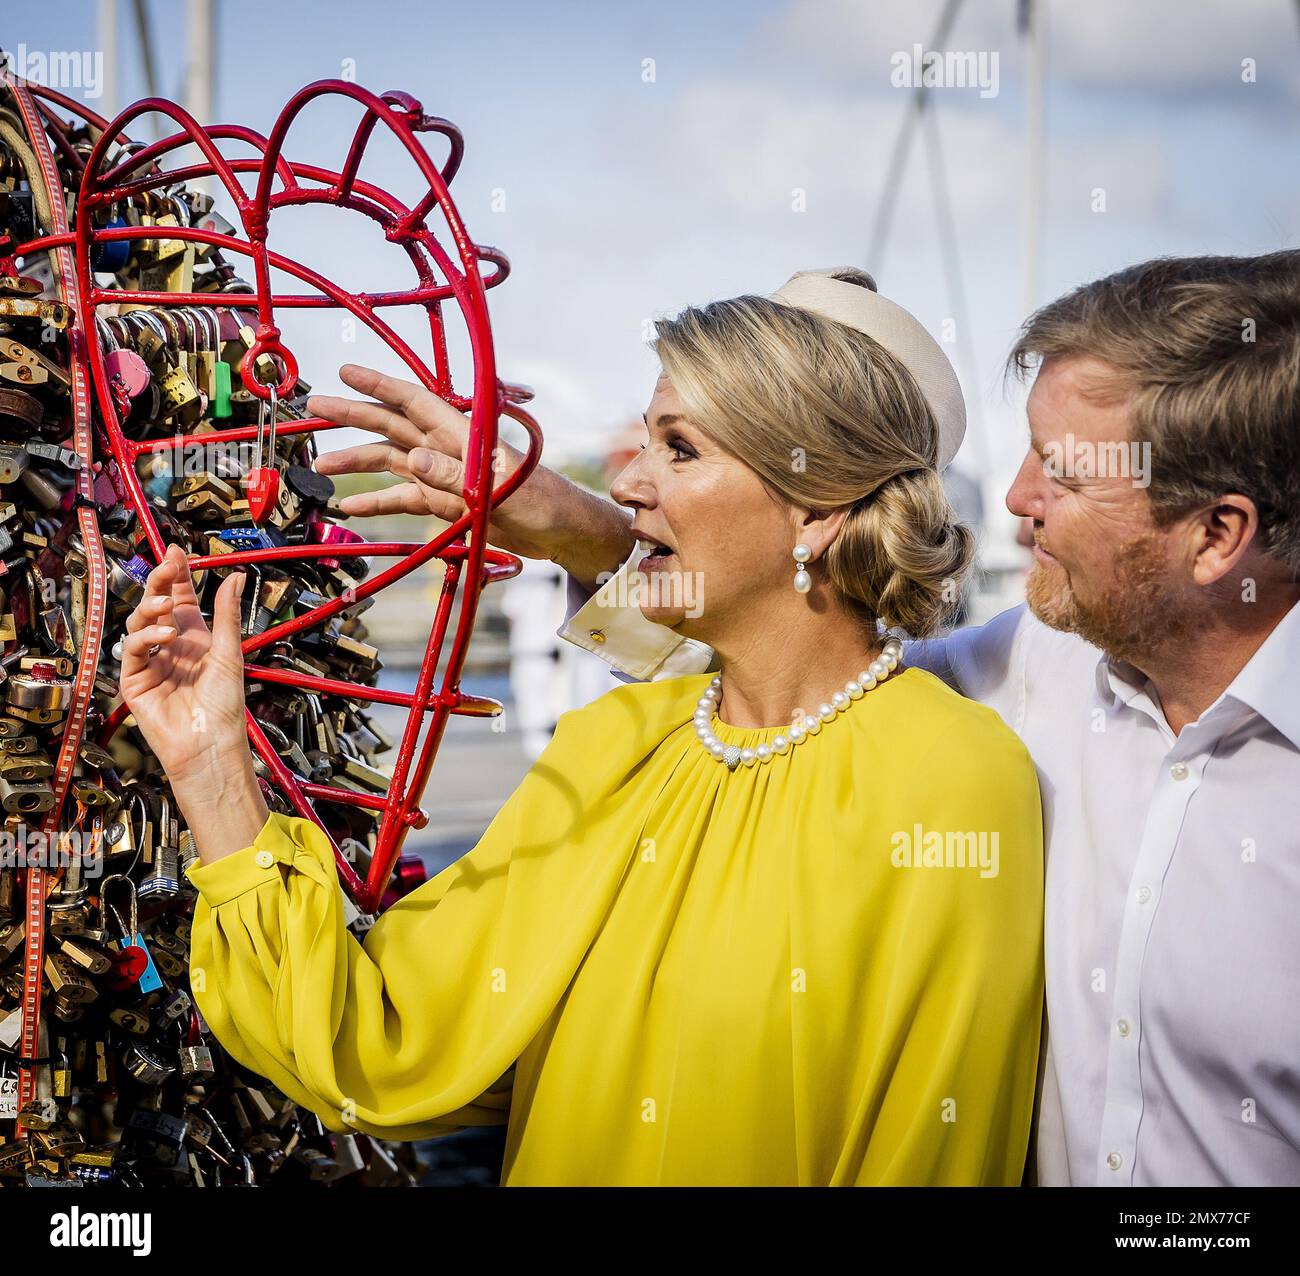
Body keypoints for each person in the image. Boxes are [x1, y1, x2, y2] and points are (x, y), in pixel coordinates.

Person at [120, 268, 1045, 1187]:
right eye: (645, 442)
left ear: (821, 506)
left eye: (679, 449)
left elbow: (933, 1152)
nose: (627, 483)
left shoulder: (951, 782)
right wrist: (211, 762)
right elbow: (382, 1040)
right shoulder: (615, 744)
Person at [529, 252, 1300, 1187]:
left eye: (1062, 472)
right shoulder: (1023, 672)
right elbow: (783, 674)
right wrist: (581, 527)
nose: (1015, 497)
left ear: (1217, 537)